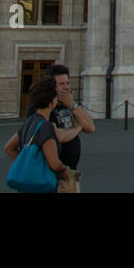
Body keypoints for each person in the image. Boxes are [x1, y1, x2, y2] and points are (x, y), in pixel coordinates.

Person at [3, 76, 68, 189]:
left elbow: (9, 148)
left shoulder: (29, 122)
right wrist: (63, 168)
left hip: (26, 186)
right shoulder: (46, 127)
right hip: (42, 186)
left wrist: (28, 164)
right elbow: (54, 163)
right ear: (51, 101)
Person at [47, 64, 94, 193]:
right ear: (51, 86)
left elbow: (90, 127)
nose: (67, 87)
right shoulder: (45, 108)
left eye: (67, 83)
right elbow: (58, 136)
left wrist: (72, 105)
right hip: (54, 175)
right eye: (61, 84)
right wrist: (78, 128)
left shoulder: (68, 105)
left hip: (71, 174)